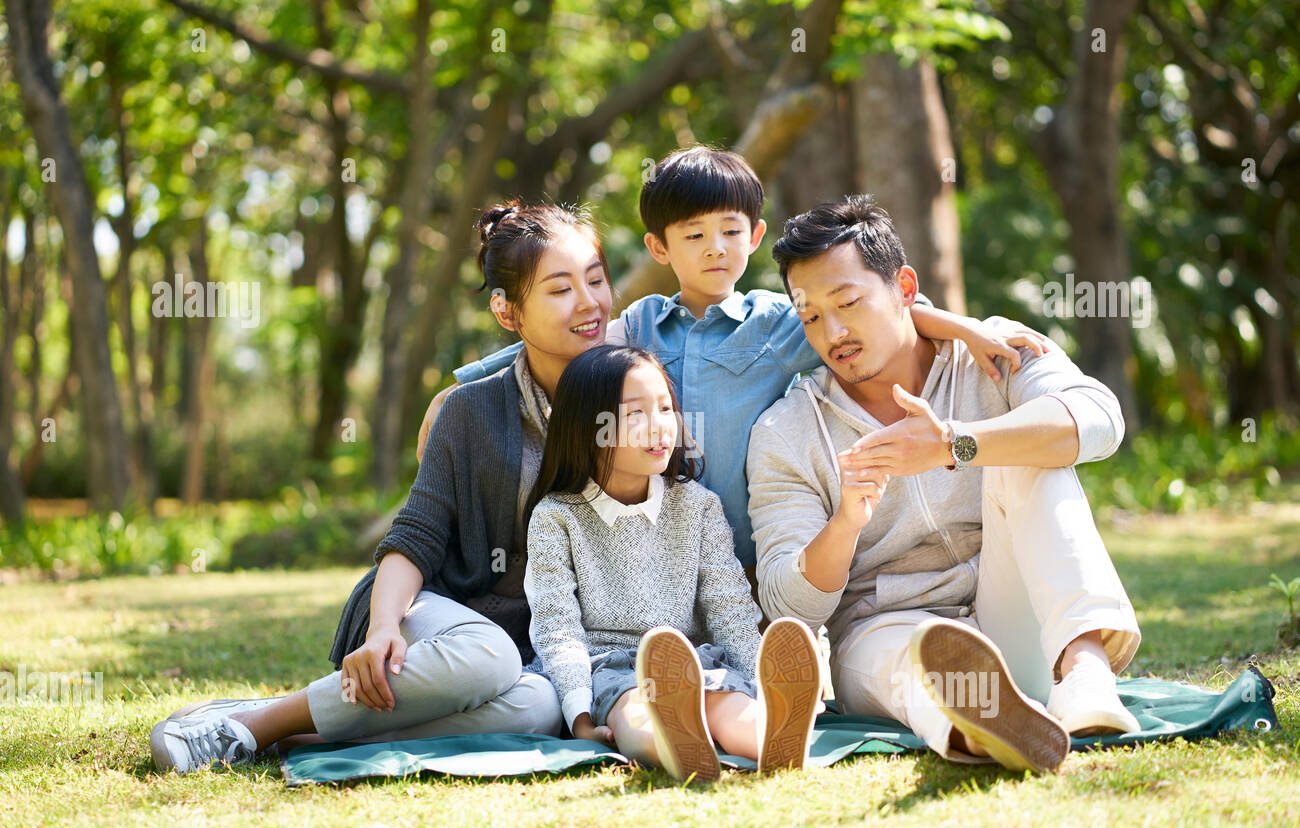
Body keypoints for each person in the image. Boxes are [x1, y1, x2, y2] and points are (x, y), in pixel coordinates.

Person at [420, 146, 1052, 614]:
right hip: (664, 545)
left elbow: (882, 311)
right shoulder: (639, 325)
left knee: (749, 637)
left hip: (751, 551)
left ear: (754, 236)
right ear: (660, 248)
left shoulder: (783, 323)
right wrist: (462, 387)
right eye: (694, 235)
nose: (715, 249)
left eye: (729, 232)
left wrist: (964, 329)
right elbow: (557, 347)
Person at [150, 200, 613, 772]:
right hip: (431, 612)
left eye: (596, 279)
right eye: (561, 289)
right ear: (507, 311)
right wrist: (385, 625)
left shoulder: (626, 404)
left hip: (529, 649)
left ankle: (316, 735)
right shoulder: (469, 409)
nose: (590, 302)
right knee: (488, 657)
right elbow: (414, 537)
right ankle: (257, 723)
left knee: (541, 706)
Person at [747, 195, 1143, 775]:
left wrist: (955, 443)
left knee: (1027, 444)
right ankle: (980, 725)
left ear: (906, 288)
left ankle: (1085, 677)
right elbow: (788, 603)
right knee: (912, 664)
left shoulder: (992, 354)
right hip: (884, 635)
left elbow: (1099, 419)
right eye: (809, 317)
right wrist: (845, 523)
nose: (832, 333)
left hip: (1019, 619)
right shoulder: (787, 431)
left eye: (849, 302)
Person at [523, 344, 822, 782]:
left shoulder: (698, 507)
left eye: (665, 408)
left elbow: (731, 611)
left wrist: (758, 682)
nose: (659, 426)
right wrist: (580, 714)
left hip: (691, 661)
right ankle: (674, 745)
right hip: (607, 666)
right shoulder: (556, 517)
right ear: (590, 427)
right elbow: (558, 628)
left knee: (724, 697)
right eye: (636, 413)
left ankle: (774, 737)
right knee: (631, 708)